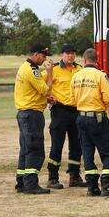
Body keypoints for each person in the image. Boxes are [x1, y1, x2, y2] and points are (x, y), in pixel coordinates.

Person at [71, 48, 109, 197]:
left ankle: (92, 186)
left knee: (87, 152)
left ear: (84, 59)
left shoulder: (76, 76)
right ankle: (107, 184)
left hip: (81, 117)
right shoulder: (100, 76)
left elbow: (72, 99)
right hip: (98, 117)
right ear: (97, 60)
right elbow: (108, 98)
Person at [14, 44, 54, 194]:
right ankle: (30, 184)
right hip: (32, 114)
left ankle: (21, 183)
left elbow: (35, 91)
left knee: (25, 148)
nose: (44, 59)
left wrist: (46, 99)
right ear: (36, 55)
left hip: (25, 113)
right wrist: (49, 73)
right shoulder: (31, 70)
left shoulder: (26, 67)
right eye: (43, 56)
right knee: (35, 149)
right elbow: (45, 89)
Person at [46, 44, 86, 189]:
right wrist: (48, 98)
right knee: (57, 145)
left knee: (77, 145)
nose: (71, 56)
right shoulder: (54, 69)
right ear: (62, 54)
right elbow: (44, 87)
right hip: (60, 111)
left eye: (73, 53)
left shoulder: (80, 70)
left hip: (77, 111)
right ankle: (52, 177)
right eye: (68, 53)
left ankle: (74, 176)